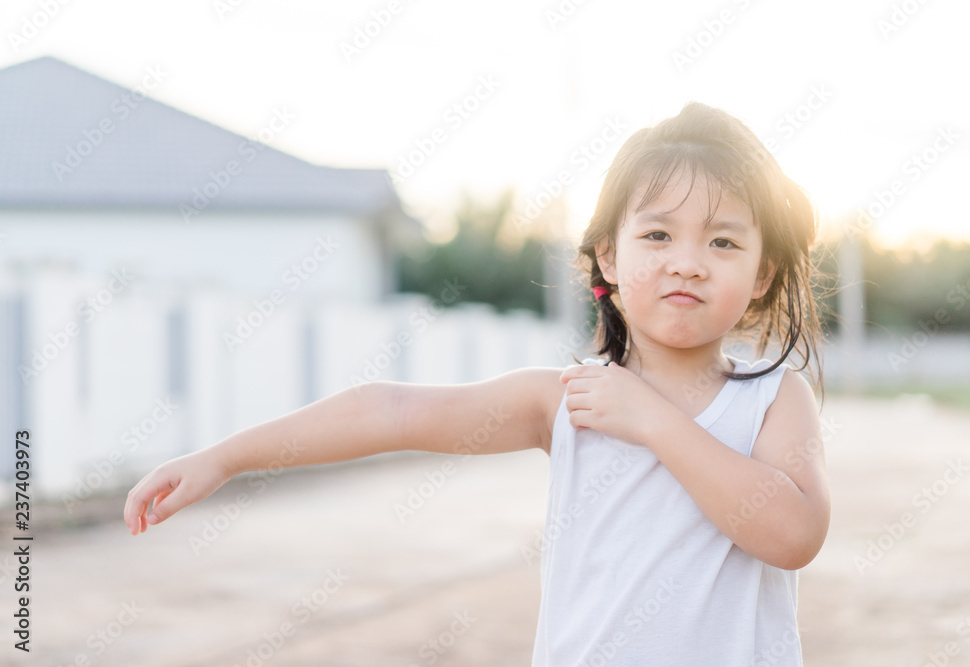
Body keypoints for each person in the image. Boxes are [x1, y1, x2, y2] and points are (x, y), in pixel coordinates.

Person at [124, 100, 830, 666]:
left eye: (724, 241)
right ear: (608, 256)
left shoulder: (773, 397)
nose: (688, 262)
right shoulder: (562, 401)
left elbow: (792, 534)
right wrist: (224, 457)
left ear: (762, 273)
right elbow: (390, 410)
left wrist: (650, 420)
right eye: (657, 236)